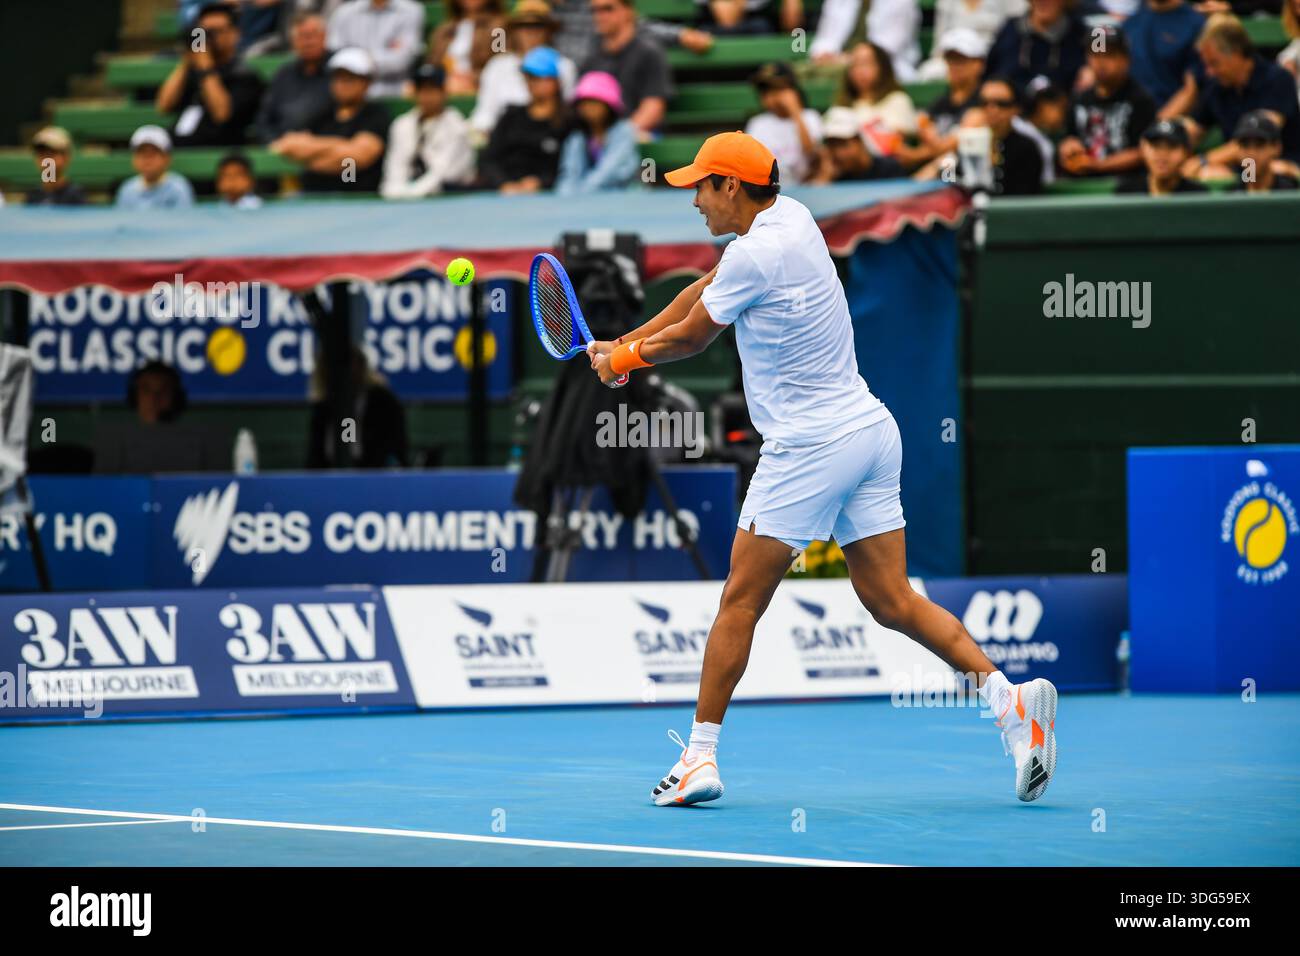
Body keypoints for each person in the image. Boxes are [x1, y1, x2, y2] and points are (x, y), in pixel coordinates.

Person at [585, 131, 1058, 807]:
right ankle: (1011, 700)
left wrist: (624, 364)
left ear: (732, 187)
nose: (694, 199)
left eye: (702, 185)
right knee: (891, 600)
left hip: (810, 449)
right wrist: (626, 342)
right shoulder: (794, 218)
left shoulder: (757, 252)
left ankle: (699, 759)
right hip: (868, 431)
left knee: (739, 602)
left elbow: (694, 335)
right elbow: (701, 290)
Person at [271, 48, 389, 193]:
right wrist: (343, 146)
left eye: (350, 79)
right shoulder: (322, 113)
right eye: (338, 78)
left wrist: (311, 154)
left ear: (366, 82)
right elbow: (290, 146)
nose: (342, 85)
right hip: (311, 197)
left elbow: (354, 159)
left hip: (356, 198)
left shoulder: (375, 114)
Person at [1187, 14, 1300, 163]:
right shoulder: (1216, 86)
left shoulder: (1278, 79)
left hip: (1280, 168)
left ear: (1237, 53)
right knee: (1212, 174)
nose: (1210, 72)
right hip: (1242, 170)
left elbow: (1256, 140)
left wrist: (1202, 161)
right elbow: (1193, 130)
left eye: (1214, 63)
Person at [157, 1, 265, 147]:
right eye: (203, 33)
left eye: (216, 31)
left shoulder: (245, 76)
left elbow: (222, 115)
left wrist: (205, 65)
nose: (209, 38)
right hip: (179, 147)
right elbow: (164, 106)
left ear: (235, 34)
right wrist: (188, 59)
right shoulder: (193, 69)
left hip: (219, 150)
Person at [470, 0, 578, 142]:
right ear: (514, 31)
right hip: (504, 140)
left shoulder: (563, 66)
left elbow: (566, 114)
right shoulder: (498, 65)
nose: (530, 32)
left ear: (549, 31)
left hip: (548, 138)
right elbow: (485, 114)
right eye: (523, 26)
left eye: (537, 26)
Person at [1058, 24, 1156, 177]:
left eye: (1109, 55)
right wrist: (1069, 148)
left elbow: (1144, 150)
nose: (1101, 63)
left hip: (1126, 185)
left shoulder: (1140, 100)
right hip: (1083, 184)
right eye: (1095, 55)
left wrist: (1098, 165)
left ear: (1125, 59)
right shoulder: (1079, 99)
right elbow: (1069, 138)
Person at [475, 45, 570, 192]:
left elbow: (571, 167)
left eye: (538, 78)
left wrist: (540, 182)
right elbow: (489, 159)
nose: (531, 83)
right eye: (528, 77)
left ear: (555, 81)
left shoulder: (569, 122)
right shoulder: (511, 116)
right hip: (504, 195)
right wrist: (503, 184)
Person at [381, 63, 476, 198]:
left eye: (432, 89)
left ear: (444, 92)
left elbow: (440, 175)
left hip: (452, 194)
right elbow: (395, 169)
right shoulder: (401, 125)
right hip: (409, 196)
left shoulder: (456, 126)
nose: (427, 96)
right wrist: (395, 192)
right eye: (422, 90)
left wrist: (408, 195)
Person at [580, 0, 673, 137]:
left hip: (640, 135)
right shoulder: (591, 58)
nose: (599, 15)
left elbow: (653, 109)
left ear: (628, 11)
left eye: (608, 8)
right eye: (594, 10)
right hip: (599, 138)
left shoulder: (649, 53)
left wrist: (618, 137)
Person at [308, 345, 409, 468]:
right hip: (330, 476)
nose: (343, 372)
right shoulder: (323, 407)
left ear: (361, 365)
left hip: (374, 476)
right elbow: (315, 455)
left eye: (348, 364)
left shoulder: (383, 402)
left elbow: (395, 449)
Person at [555, 71, 641, 194]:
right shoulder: (577, 138)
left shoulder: (624, 132)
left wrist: (579, 194)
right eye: (583, 103)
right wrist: (564, 197)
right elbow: (569, 175)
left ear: (608, 105)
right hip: (585, 202)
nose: (588, 108)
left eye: (594, 102)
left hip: (622, 199)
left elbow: (607, 173)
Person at [256, 11, 334, 142]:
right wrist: (276, 142)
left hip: (326, 145)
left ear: (324, 36)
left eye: (312, 35)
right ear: (293, 42)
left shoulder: (338, 70)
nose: (308, 42)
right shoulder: (283, 74)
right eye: (302, 36)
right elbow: (264, 120)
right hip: (283, 147)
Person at [327, 0, 425, 97]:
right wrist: (382, 56)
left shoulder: (411, 10)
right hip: (351, 89)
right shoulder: (344, 13)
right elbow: (337, 57)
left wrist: (356, 60)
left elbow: (401, 61)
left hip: (395, 89)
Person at [744, 62, 824, 183]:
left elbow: (811, 154)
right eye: (765, 91)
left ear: (792, 90)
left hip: (807, 188)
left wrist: (795, 112)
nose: (770, 96)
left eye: (777, 89)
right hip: (771, 191)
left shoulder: (810, 117)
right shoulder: (757, 124)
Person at [915, 28, 988, 160]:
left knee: (947, 162)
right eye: (950, 59)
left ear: (979, 64)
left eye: (961, 60)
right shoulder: (940, 102)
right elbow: (924, 131)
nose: (954, 66)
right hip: (936, 167)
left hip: (963, 169)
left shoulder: (985, 101)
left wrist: (912, 155)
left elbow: (948, 148)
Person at [985, 0, 1088, 92]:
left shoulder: (1078, 33)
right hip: (1009, 107)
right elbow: (989, 72)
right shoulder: (1010, 28)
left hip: (1061, 106)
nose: (1044, 2)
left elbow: (1101, 34)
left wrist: (1091, 70)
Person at [834, 40, 917, 153]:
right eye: (855, 64)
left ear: (882, 67)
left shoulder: (897, 100)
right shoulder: (842, 105)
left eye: (866, 63)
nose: (860, 70)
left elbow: (895, 146)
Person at [1123, 0, 1206, 113]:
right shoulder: (1131, 20)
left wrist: (1157, 125)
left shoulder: (1196, 25)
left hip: (1169, 118)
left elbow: (1191, 90)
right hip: (1127, 115)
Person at [809, 0, 923, 81]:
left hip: (888, 66)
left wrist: (852, 59)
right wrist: (824, 54)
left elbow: (887, 48)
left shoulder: (902, 2)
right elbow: (825, 38)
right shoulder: (836, 2)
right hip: (838, 63)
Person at [916, 0, 1027, 81]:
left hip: (996, 56)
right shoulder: (946, 3)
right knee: (930, 71)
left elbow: (1016, 29)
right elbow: (939, 45)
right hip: (955, 52)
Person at [427, 0, 507, 95]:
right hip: (444, 85)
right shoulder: (443, 31)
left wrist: (472, 79)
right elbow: (432, 64)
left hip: (482, 88)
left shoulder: (500, 28)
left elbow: (501, 66)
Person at [808, 106, 908, 181]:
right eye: (832, 146)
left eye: (843, 145)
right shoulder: (835, 176)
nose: (838, 153)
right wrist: (826, 176)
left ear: (860, 140)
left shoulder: (889, 169)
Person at [1114, 118, 1209, 192]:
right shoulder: (1126, 193)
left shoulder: (1197, 195)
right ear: (1143, 150)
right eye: (1156, 146)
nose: (1162, 155)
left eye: (1171, 147)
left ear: (1186, 152)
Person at [116, 126, 197, 209]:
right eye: (141, 153)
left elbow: (183, 219)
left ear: (167, 158)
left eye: (153, 154)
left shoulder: (179, 188)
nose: (147, 160)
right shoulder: (127, 190)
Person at [1226, 109, 1300, 190]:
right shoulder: (1230, 192)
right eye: (1245, 145)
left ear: (1276, 147)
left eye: (1259, 145)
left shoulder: (1290, 191)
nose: (1252, 153)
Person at [25, 127, 87, 206]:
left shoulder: (75, 195)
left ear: (66, 157)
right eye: (41, 154)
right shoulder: (33, 195)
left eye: (51, 154)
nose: (45, 159)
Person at [692, 0, 803, 35]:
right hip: (716, 29)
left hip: (758, 27)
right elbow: (728, 21)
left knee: (761, 26)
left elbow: (794, 28)